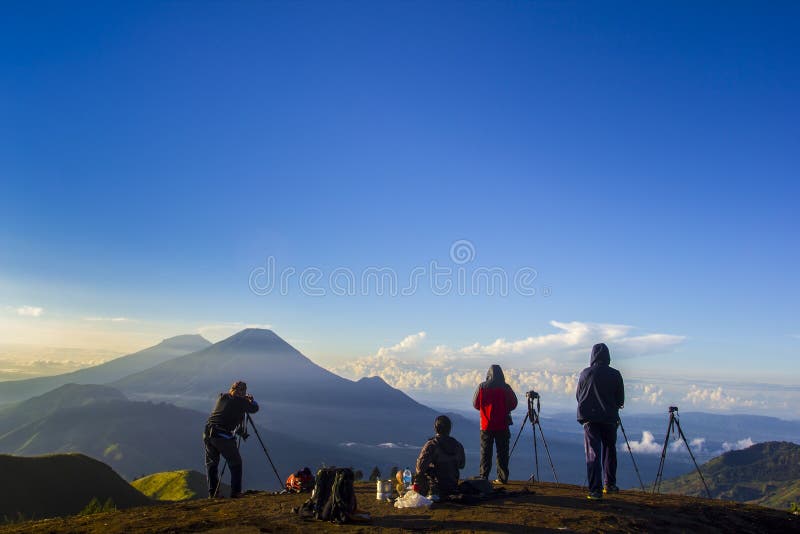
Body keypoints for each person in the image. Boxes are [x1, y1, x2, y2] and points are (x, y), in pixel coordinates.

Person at [576, 343, 625, 500]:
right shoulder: (615, 374)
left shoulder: (585, 373)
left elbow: (578, 395)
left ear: (592, 356)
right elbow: (620, 400)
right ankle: (609, 484)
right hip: (609, 418)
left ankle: (595, 490)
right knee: (609, 449)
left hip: (589, 418)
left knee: (593, 452)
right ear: (608, 357)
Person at [204, 380, 259, 498]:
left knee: (212, 464)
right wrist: (251, 400)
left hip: (208, 432)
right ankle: (236, 492)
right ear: (242, 391)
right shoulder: (240, 401)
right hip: (222, 436)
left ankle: (213, 494)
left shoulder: (222, 397)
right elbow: (254, 408)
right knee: (236, 462)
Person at [472, 364, 518, 484]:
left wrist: (484, 409)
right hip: (502, 424)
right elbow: (514, 403)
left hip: (486, 425)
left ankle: (483, 476)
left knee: (485, 452)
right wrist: (504, 408)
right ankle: (502, 478)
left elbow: (475, 404)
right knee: (502, 452)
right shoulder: (506, 387)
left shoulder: (482, 387)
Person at [415, 415, 466, 500]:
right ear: (449, 429)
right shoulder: (458, 445)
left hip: (435, 488)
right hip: (452, 486)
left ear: (435, 428)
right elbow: (462, 465)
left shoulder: (432, 445)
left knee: (412, 476)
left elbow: (420, 468)